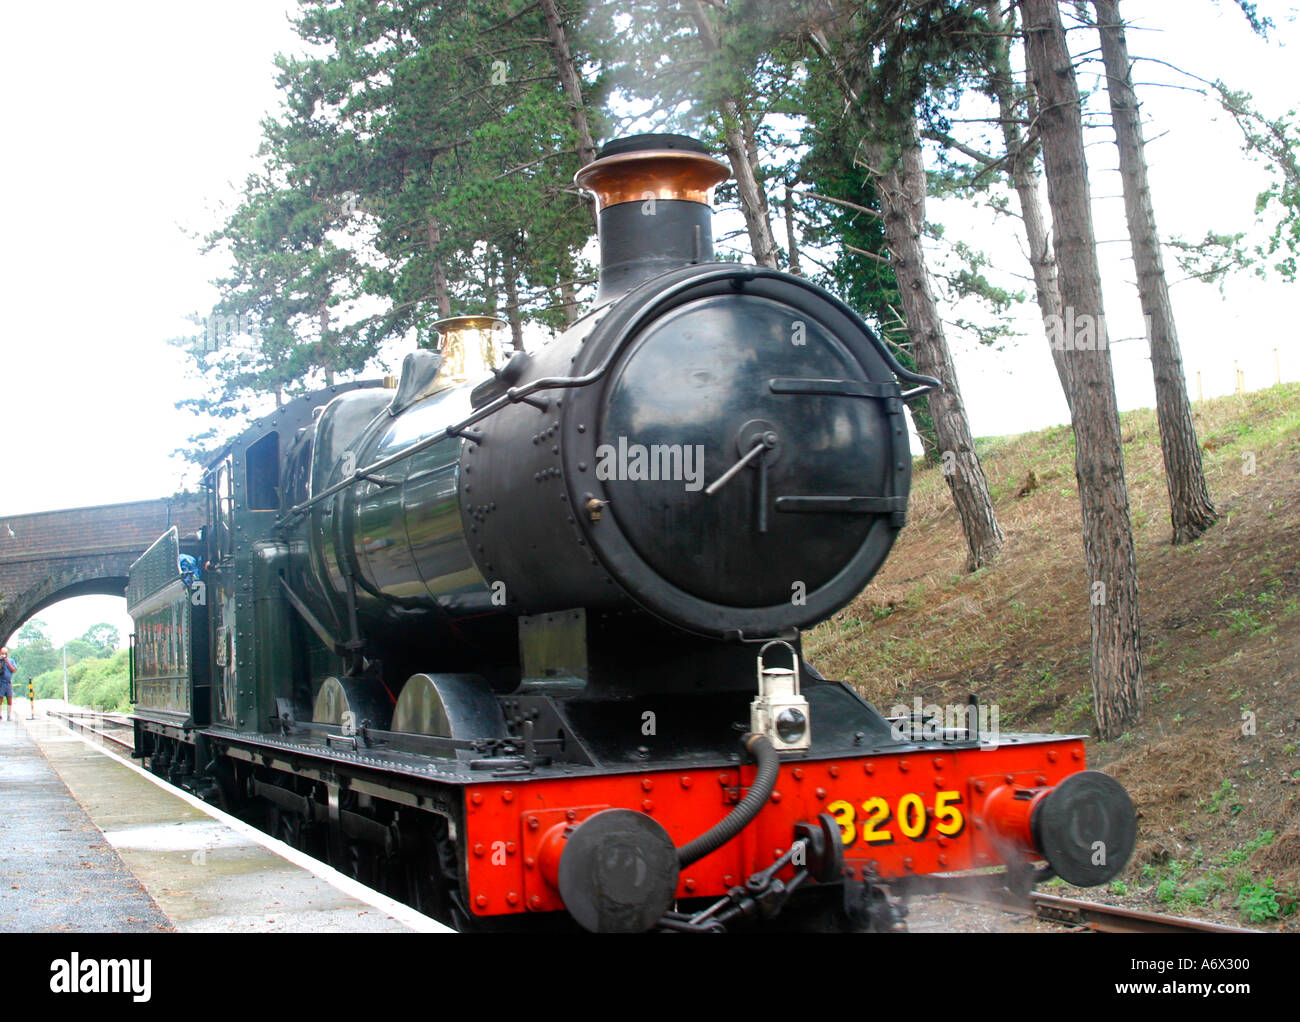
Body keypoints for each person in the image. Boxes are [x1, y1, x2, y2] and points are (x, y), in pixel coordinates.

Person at [0, 647, 14, 722]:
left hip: (8, 683)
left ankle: (9, 716)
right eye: (2, 653)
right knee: (0, 699)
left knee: (10, 699)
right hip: (1, 682)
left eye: (5, 654)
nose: (4, 655)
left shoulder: (11, 661)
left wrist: (7, 662)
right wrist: (1, 661)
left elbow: (14, 670)